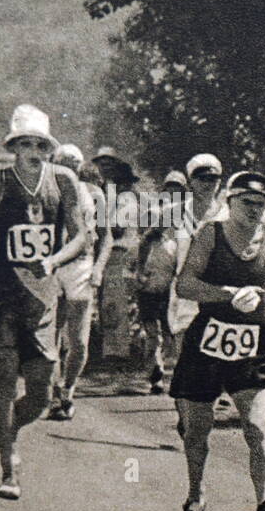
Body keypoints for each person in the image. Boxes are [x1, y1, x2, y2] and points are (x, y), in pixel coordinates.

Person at [0, 105, 89, 497]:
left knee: (40, 395)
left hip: (43, 299)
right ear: (14, 147)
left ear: (48, 148)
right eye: (25, 144)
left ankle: (4, 430)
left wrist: (55, 260)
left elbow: (82, 237)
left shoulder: (65, 181)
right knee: (6, 382)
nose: (33, 151)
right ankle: (10, 468)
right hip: (2, 297)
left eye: (39, 144)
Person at [169, 171, 265, 511]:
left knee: (257, 425)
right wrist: (229, 293)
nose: (255, 210)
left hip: (252, 343)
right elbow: (185, 284)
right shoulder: (211, 234)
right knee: (197, 428)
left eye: (261, 204)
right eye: (247, 203)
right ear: (230, 202)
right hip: (208, 340)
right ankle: (196, 494)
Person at [45, 144, 103, 419]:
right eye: (64, 163)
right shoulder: (46, 192)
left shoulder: (94, 194)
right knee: (51, 334)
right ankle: (56, 394)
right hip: (54, 266)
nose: (69, 168)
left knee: (79, 340)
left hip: (81, 267)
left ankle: (69, 388)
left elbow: (107, 236)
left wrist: (99, 268)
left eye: (74, 164)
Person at [134, 172, 184, 393]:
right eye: (169, 189)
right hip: (153, 278)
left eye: (178, 189)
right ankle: (156, 373)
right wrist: (139, 271)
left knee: (172, 330)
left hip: (175, 282)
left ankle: (179, 375)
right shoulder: (156, 214)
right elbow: (145, 241)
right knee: (153, 330)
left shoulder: (188, 217)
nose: (173, 193)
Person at [166, 153, 225, 339]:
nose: (208, 184)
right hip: (186, 288)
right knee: (184, 342)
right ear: (191, 181)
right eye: (202, 179)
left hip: (220, 287)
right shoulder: (175, 213)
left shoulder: (227, 214)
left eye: (213, 179)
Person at [92, 146, 140, 360]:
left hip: (118, 251)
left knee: (114, 301)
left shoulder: (126, 194)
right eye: (101, 163)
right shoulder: (101, 189)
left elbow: (118, 225)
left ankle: (116, 350)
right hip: (102, 250)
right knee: (103, 301)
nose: (105, 167)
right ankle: (105, 346)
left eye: (109, 163)